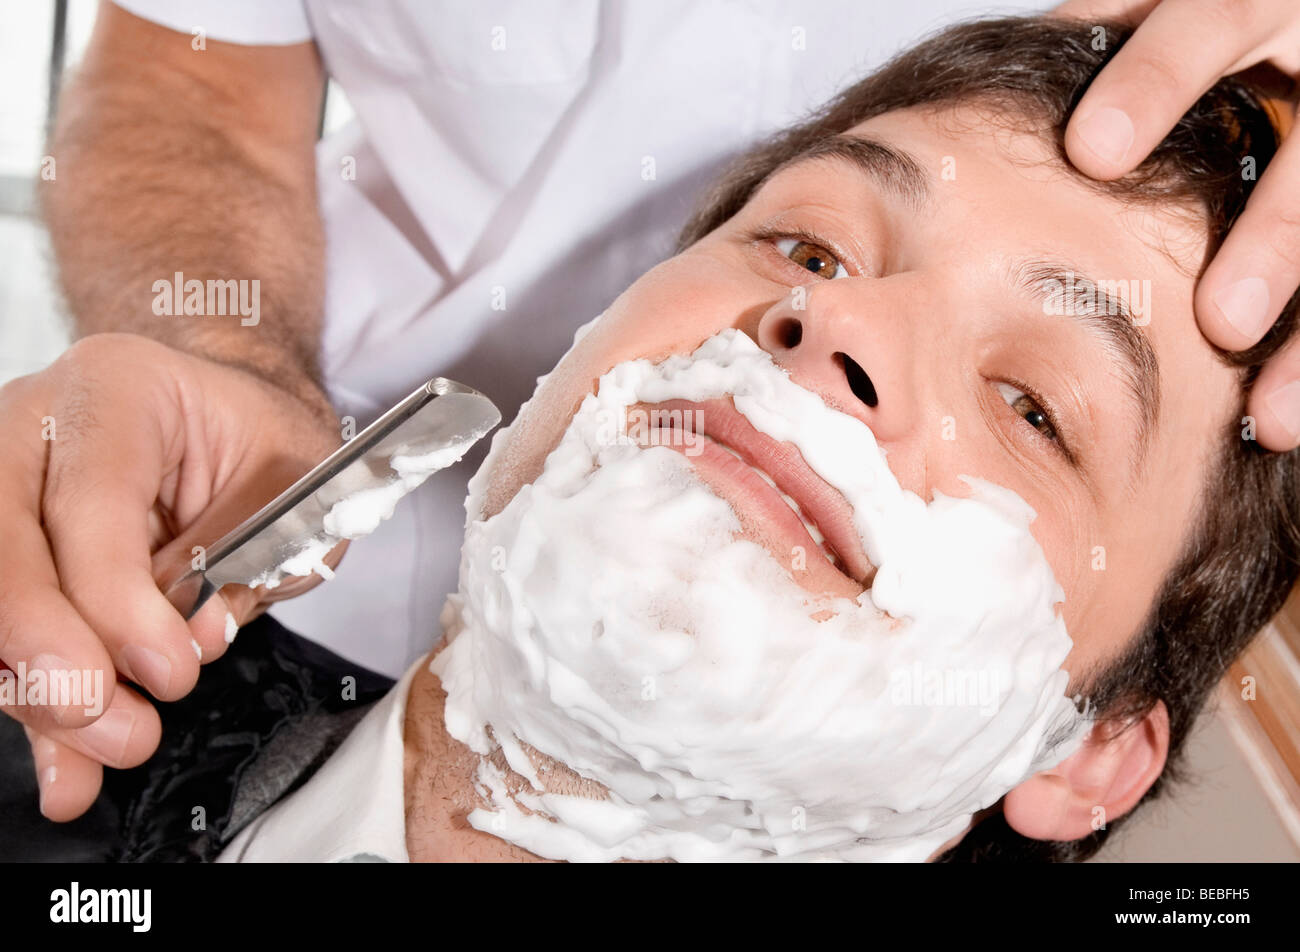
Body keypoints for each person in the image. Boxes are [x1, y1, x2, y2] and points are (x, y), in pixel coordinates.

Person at [5, 14, 1297, 862]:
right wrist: (216, 356)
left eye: (1034, 409)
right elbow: (198, 68)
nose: (827, 318)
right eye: (806, 244)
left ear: (1089, 754)